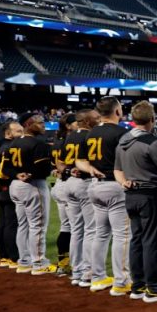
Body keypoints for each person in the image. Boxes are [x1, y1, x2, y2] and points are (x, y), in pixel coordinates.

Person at [116, 101, 157, 302]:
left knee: (137, 240)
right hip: (150, 195)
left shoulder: (123, 140)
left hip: (131, 195)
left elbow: (117, 169)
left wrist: (125, 182)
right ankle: (154, 287)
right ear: (152, 119)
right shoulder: (152, 142)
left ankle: (138, 285)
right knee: (152, 240)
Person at [75, 97, 131, 296]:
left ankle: (97, 278)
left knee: (101, 233)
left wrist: (90, 168)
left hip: (94, 187)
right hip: (114, 185)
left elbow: (79, 160)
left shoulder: (91, 133)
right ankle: (122, 281)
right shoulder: (122, 133)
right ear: (117, 112)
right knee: (122, 235)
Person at [3, 113, 56, 275]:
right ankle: (39, 263)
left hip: (16, 185)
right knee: (37, 226)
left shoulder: (13, 143)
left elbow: (5, 168)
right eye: (39, 123)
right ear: (28, 124)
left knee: (23, 225)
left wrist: (17, 174)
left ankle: (24, 261)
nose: (43, 125)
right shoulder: (39, 144)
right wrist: (29, 174)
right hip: (33, 185)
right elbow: (43, 169)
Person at [63, 109, 99, 288]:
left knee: (77, 230)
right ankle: (87, 272)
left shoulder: (70, 136)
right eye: (95, 117)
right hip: (84, 183)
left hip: (69, 182)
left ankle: (76, 272)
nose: (98, 119)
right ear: (86, 120)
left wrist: (69, 170)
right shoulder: (90, 135)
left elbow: (61, 162)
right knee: (91, 229)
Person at [0, 121, 22, 269]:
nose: (22, 134)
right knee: (11, 224)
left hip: (0, 190)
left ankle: (4, 257)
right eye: (18, 131)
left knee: (2, 223)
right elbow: (2, 172)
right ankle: (14, 257)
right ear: (8, 133)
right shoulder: (10, 148)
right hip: (9, 188)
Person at [50, 113, 77, 275]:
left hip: (60, 185)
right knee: (78, 228)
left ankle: (63, 263)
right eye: (76, 123)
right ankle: (79, 266)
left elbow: (54, 164)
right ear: (68, 125)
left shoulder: (57, 142)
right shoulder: (70, 141)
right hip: (70, 184)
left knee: (67, 226)